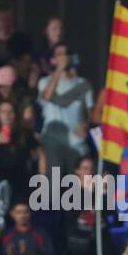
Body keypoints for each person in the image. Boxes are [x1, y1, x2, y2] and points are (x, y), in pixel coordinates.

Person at [37, 42, 95, 171]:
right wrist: (58, 70)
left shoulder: (84, 84)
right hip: (53, 144)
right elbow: (46, 97)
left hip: (76, 144)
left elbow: (91, 114)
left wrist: (86, 126)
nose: (64, 57)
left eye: (66, 54)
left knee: (76, 189)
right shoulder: (44, 82)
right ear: (53, 60)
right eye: (59, 54)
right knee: (55, 188)